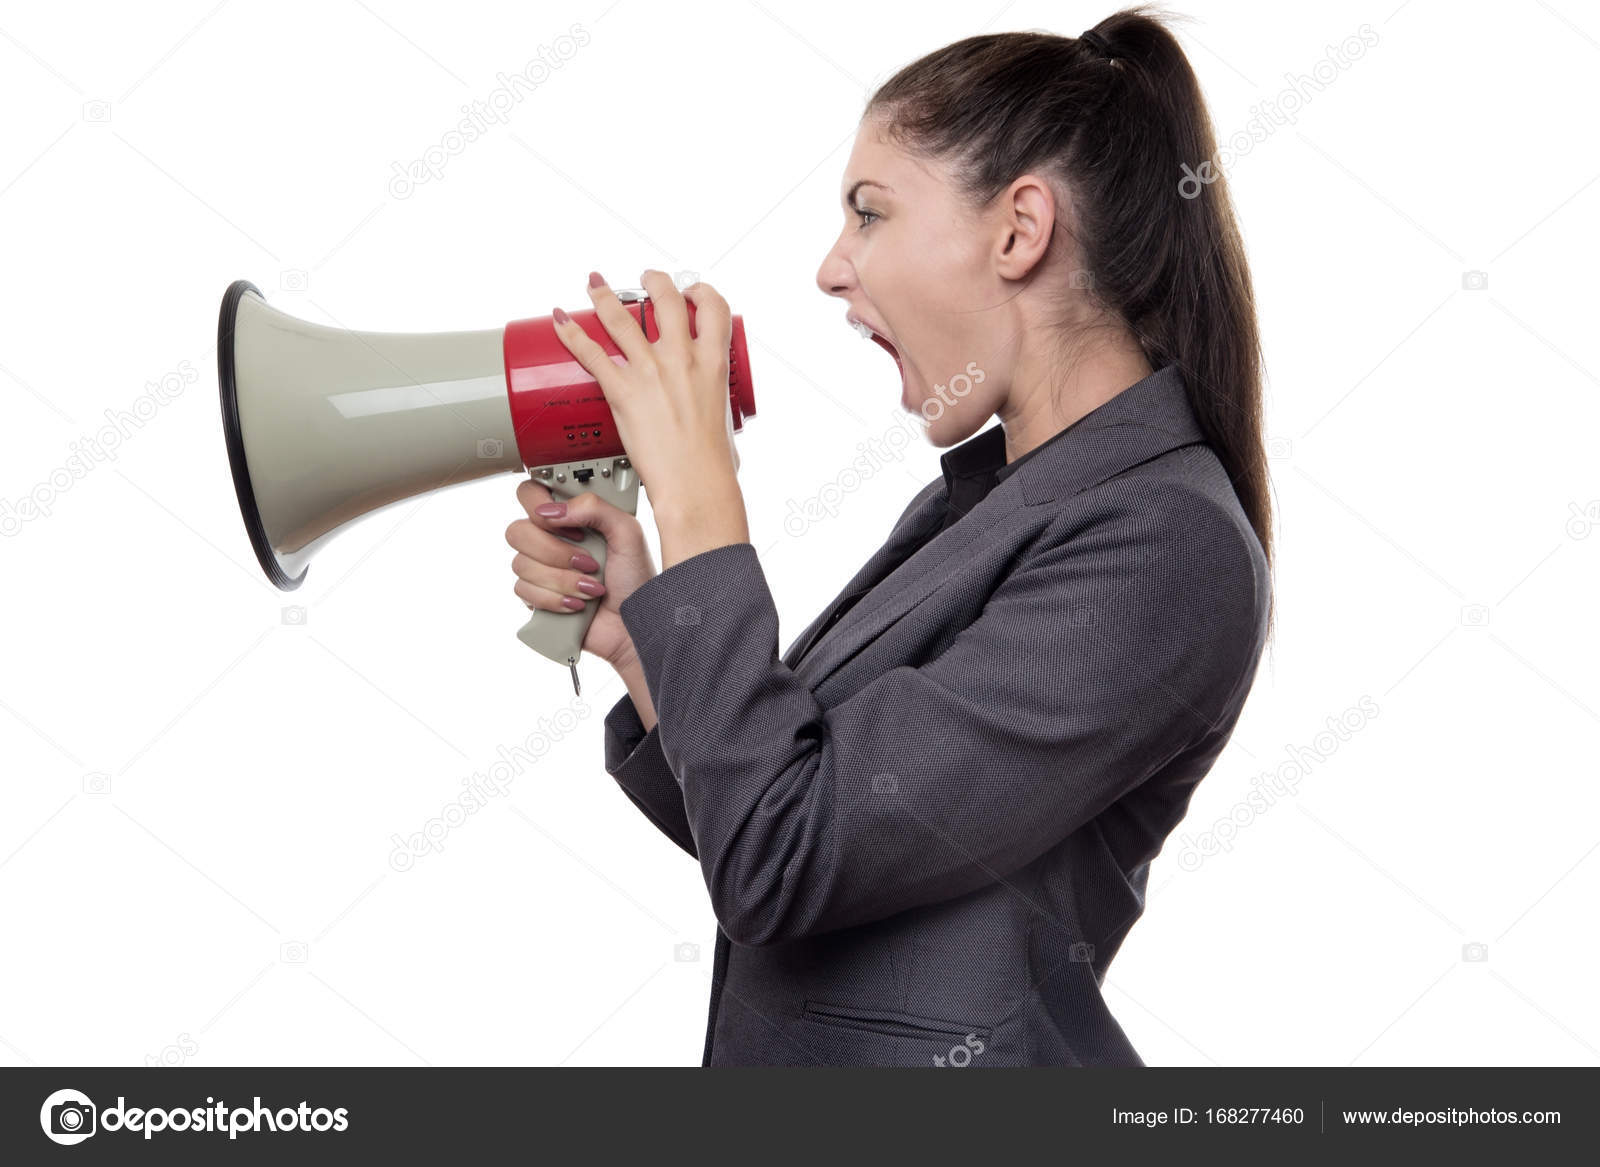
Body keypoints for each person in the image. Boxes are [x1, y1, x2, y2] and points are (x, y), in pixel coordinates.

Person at [504, 5, 1274, 1066]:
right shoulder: (983, 506)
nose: (830, 267)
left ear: (1018, 229)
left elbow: (785, 857)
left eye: (869, 213)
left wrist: (697, 500)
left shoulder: (1165, 547)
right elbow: (774, 817)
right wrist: (650, 641)